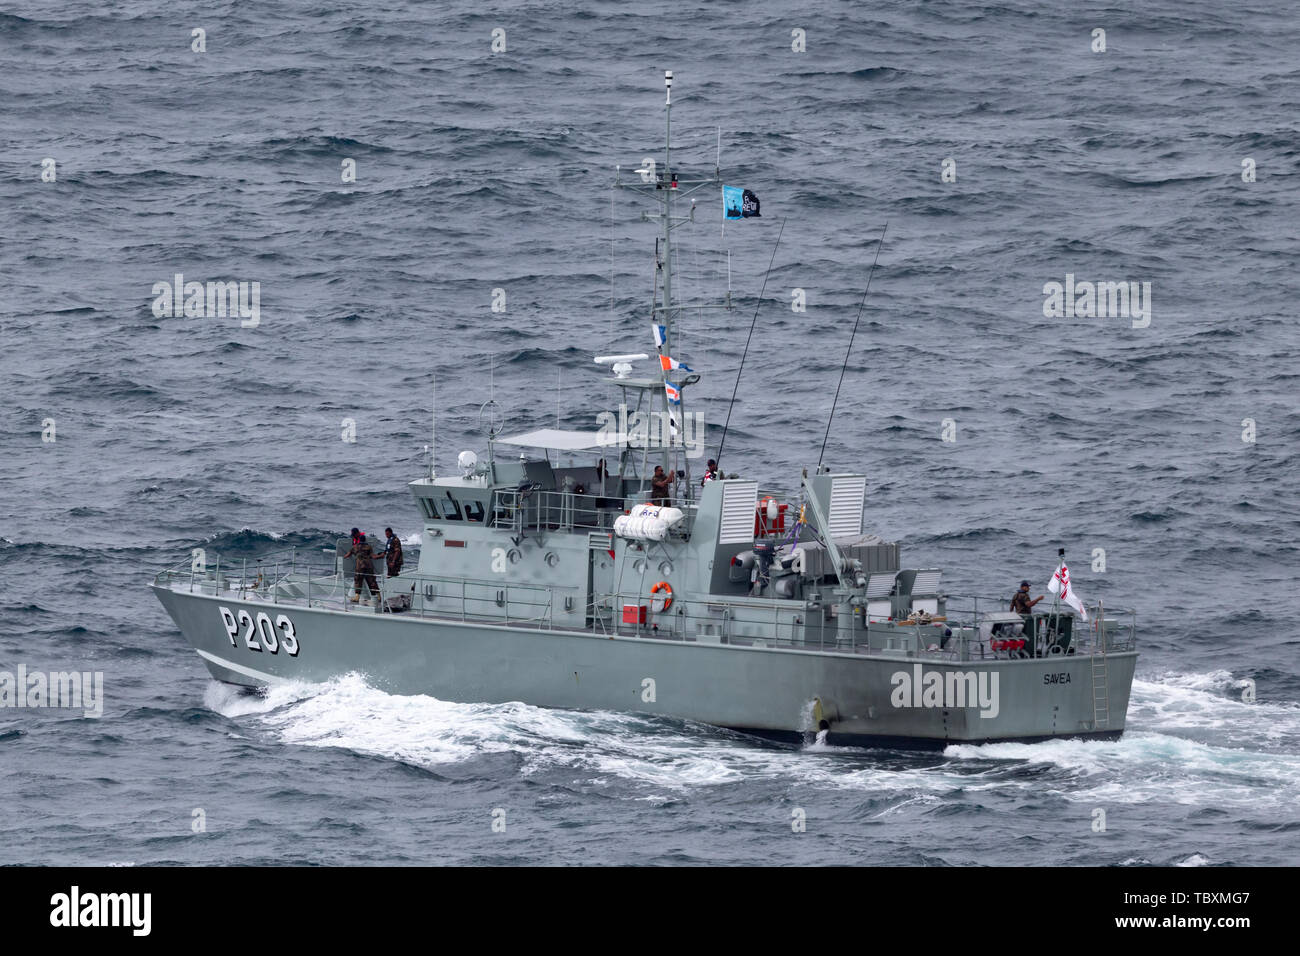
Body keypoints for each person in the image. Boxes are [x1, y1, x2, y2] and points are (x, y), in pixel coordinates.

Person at [345, 533, 380, 604]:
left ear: (359, 540)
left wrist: (343, 557)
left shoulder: (355, 547)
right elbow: (373, 556)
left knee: (358, 580)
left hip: (360, 566)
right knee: (372, 581)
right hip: (369, 565)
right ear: (365, 540)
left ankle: (357, 597)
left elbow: (348, 555)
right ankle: (378, 596)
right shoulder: (369, 547)